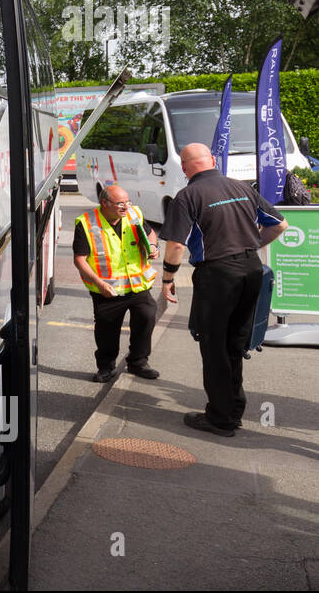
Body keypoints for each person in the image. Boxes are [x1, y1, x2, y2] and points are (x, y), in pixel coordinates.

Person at [160, 142, 289, 437]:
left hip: (218, 275)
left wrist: (168, 278)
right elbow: (281, 224)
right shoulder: (240, 187)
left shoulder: (188, 195)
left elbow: (177, 244)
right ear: (213, 160)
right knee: (235, 343)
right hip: (251, 270)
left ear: (184, 167)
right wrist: (251, 246)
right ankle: (233, 410)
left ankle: (220, 419)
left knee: (214, 346)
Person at [73, 183, 162, 382]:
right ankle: (106, 367)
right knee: (107, 329)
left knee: (147, 316)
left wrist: (153, 246)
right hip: (107, 290)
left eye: (128, 202)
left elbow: (150, 233)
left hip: (137, 285)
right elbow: (79, 259)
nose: (125, 207)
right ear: (104, 203)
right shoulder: (86, 223)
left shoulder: (132, 214)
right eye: (120, 203)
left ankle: (138, 362)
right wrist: (99, 283)